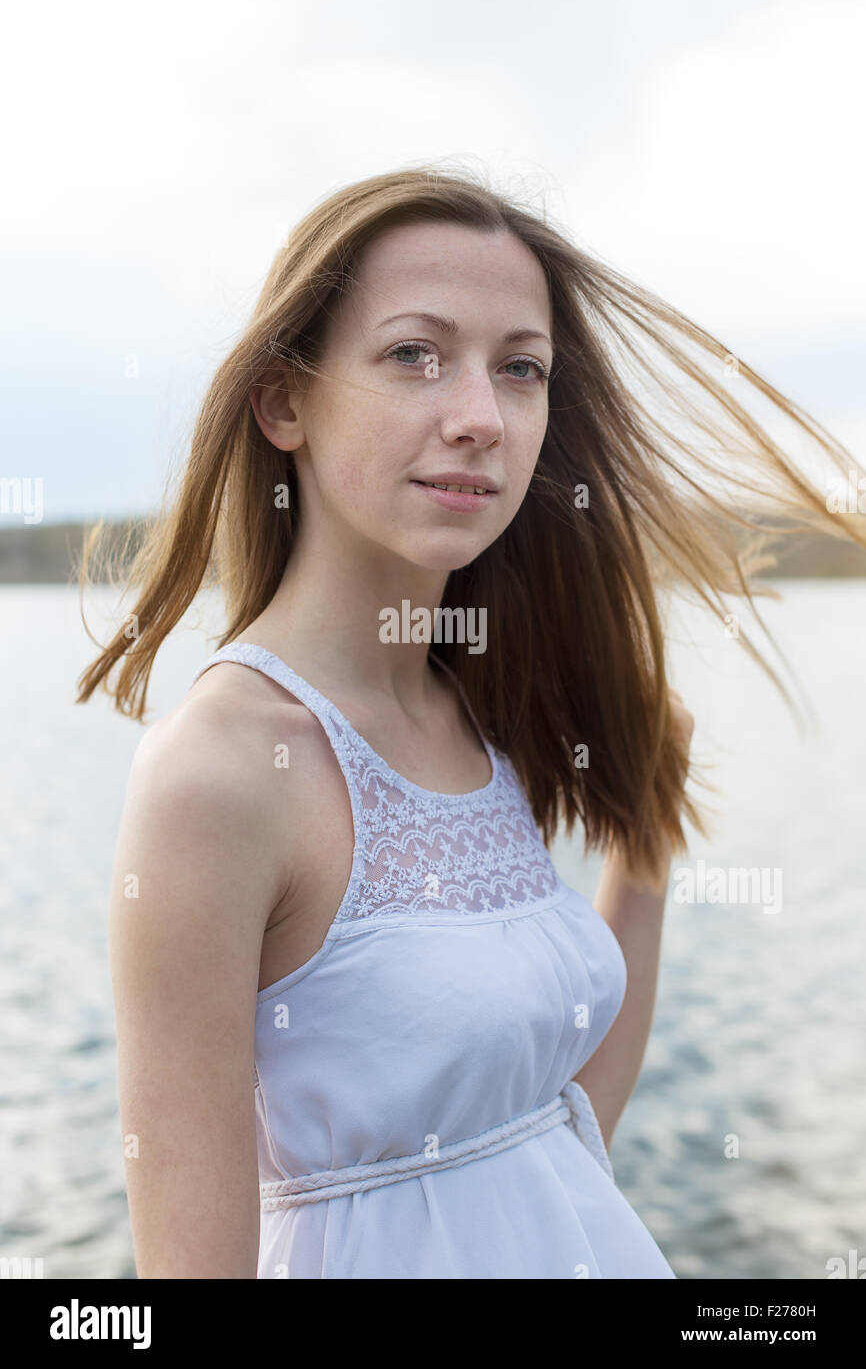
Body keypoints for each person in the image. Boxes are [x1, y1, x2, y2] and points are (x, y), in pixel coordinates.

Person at [76, 164, 865, 1278]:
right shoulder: (218, 772)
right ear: (283, 399)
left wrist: (642, 848)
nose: (480, 418)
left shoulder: (478, 723)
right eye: (414, 354)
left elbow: (553, 1138)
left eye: (520, 369)